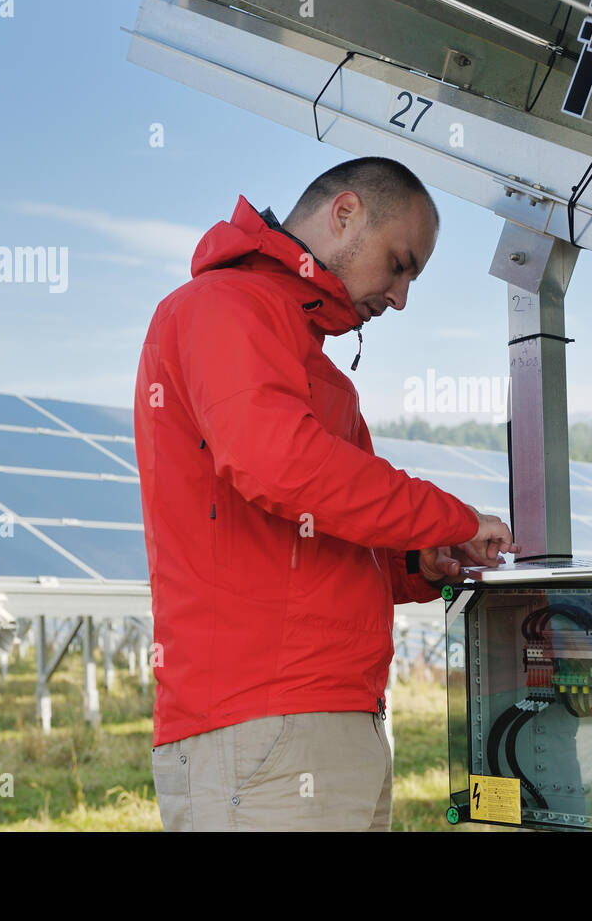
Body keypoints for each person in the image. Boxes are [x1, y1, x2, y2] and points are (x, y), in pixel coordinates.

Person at [134, 156, 519, 831]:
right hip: (263, 723)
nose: (401, 297)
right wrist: (448, 516)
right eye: (400, 264)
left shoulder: (307, 359)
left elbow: (320, 526)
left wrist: (413, 561)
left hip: (325, 719)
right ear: (345, 215)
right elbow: (281, 466)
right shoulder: (222, 308)